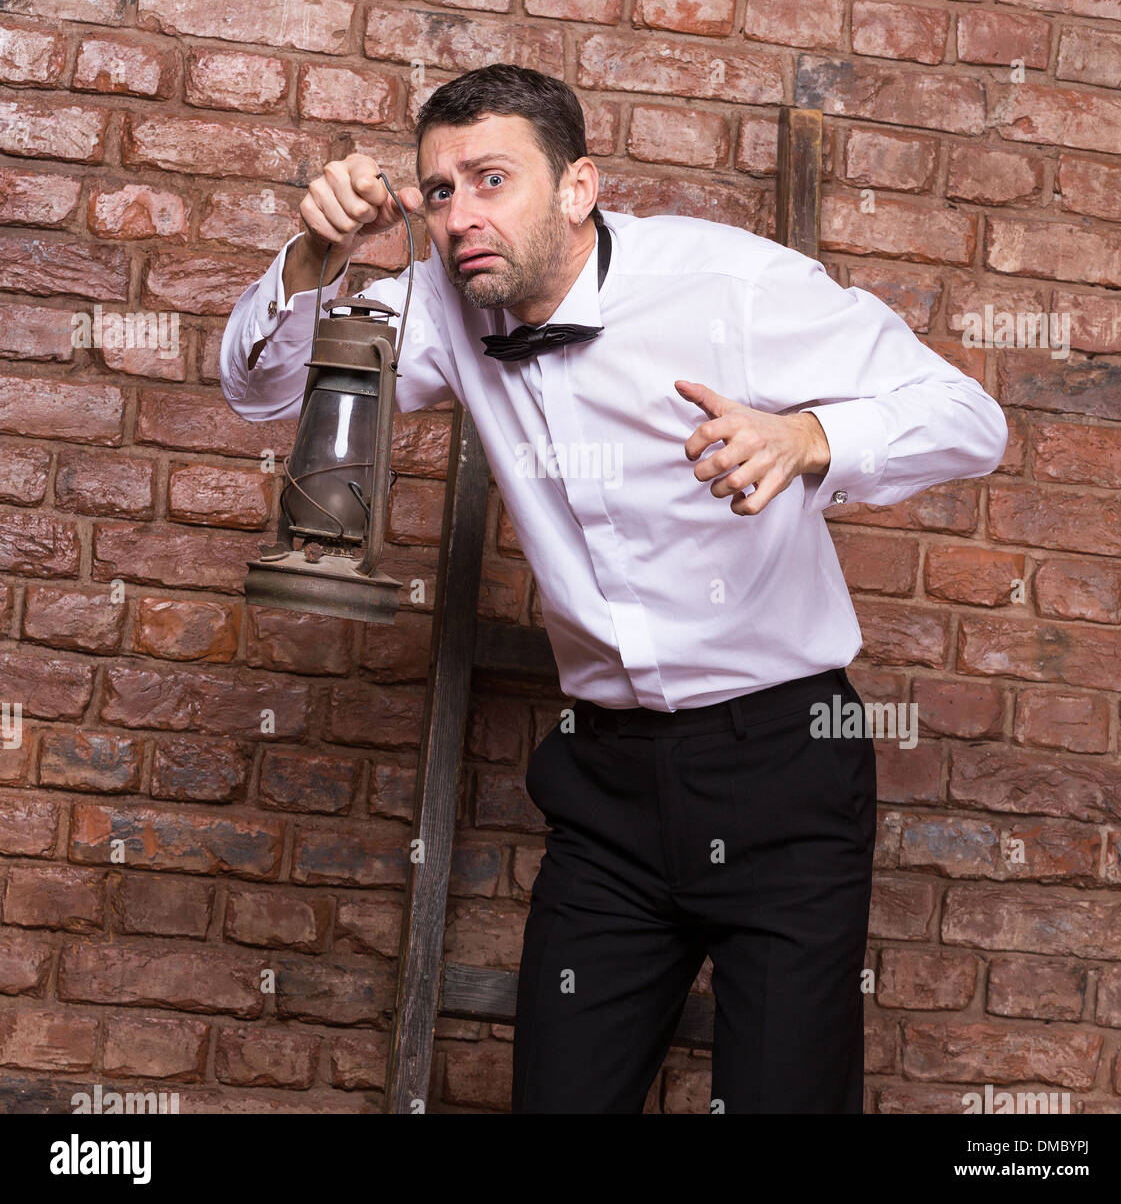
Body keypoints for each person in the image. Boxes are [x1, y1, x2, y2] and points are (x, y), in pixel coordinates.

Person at [220, 64, 1008, 1114]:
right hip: (606, 789)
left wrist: (808, 435)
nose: (460, 217)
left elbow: (969, 418)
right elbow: (262, 388)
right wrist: (317, 254)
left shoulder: (730, 286)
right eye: (440, 191)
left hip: (783, 765)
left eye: (492, 179)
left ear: (579, 187)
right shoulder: (448, 309)